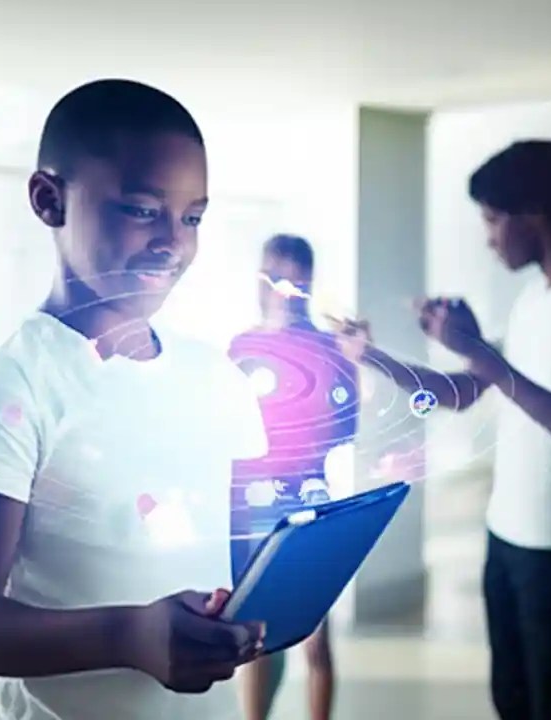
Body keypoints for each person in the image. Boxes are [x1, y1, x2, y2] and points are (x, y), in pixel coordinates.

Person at [0, 79, 268, 720]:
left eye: (192, 218)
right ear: (49, 200)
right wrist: (128, 636)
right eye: (142, 210)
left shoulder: (215, 375)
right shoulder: (14, 383)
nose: (174, 242)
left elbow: (236, 555)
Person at [339, 140, 551, 720]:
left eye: (494, 220)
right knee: (512, 699)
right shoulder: (533, 298)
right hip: (507, 532)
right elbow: (462, 392)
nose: (489, 237)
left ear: (535, 213)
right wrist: (371, 357)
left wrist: (477, 349)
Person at [229, 234, 358, 720]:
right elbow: (224, 430)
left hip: (309, 504)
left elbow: (347, 427)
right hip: (252, 507)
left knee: (316, 639)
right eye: (275, 276)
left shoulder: (328, 348)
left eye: (295, 278)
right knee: (255, 637)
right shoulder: (242, 347)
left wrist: (351, 363)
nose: (284, 288)